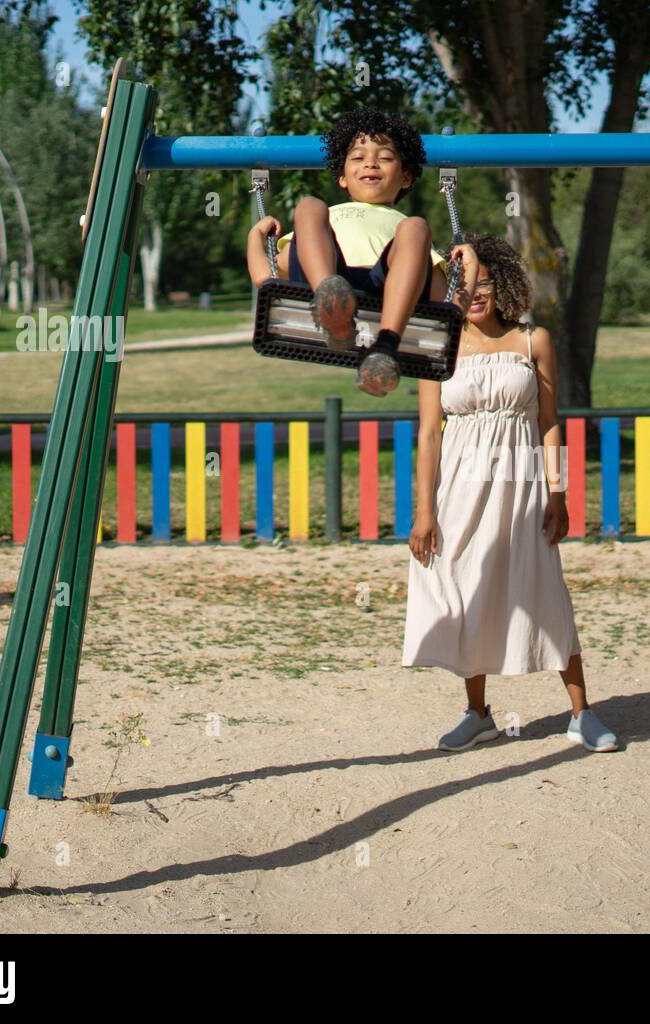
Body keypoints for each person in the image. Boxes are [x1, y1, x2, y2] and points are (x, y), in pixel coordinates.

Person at [402, 233, 618, 754]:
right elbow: (429, 433)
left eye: (484, 281)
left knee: (544, 589)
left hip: (521, 481)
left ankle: (582, 713)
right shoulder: (437, 343)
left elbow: (548, 422)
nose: (474, 292)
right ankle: (477, 713)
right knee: (465, 589)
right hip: (459, 484)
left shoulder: (532, 340)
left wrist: (558, 492)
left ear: (503, 285)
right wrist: (423, 512)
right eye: (463, 284)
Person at [246, 108, 463, 397]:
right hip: (325, 272)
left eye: (384, 158)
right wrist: (255, 237)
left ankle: (385, 348)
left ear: (406, 178)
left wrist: (466, 267)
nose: (370, 164)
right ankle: (330, 297)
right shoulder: (327, 217)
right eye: (358, 158)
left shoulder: (402, 225)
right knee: (309, 205)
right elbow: (267, 279)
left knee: (417, 226)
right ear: (343, 178)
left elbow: (445, 302)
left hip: (387, 287)